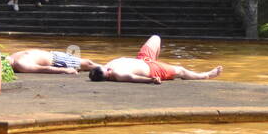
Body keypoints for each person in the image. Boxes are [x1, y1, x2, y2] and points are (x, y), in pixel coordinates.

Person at [88, 35, 222, 83]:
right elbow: (133, 78)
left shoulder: (107, 66)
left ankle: (159, 62)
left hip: (143, 59)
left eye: (106, 68)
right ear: (108, 75)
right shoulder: (118, 74)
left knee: (155, 38)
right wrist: (151, 80)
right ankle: (204, 76)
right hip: (152, 70)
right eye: (108, 72)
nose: (109, 69)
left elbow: (90, 65)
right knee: (180, 71)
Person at [8, 47, 96, 74]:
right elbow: (43, 69)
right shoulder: (20, 64)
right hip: (57, 61)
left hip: (54, 55)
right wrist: (65, 70)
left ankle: (105, 68)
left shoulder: (12, 56)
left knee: (87, 64)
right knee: (87, 64)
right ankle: (106, 69)